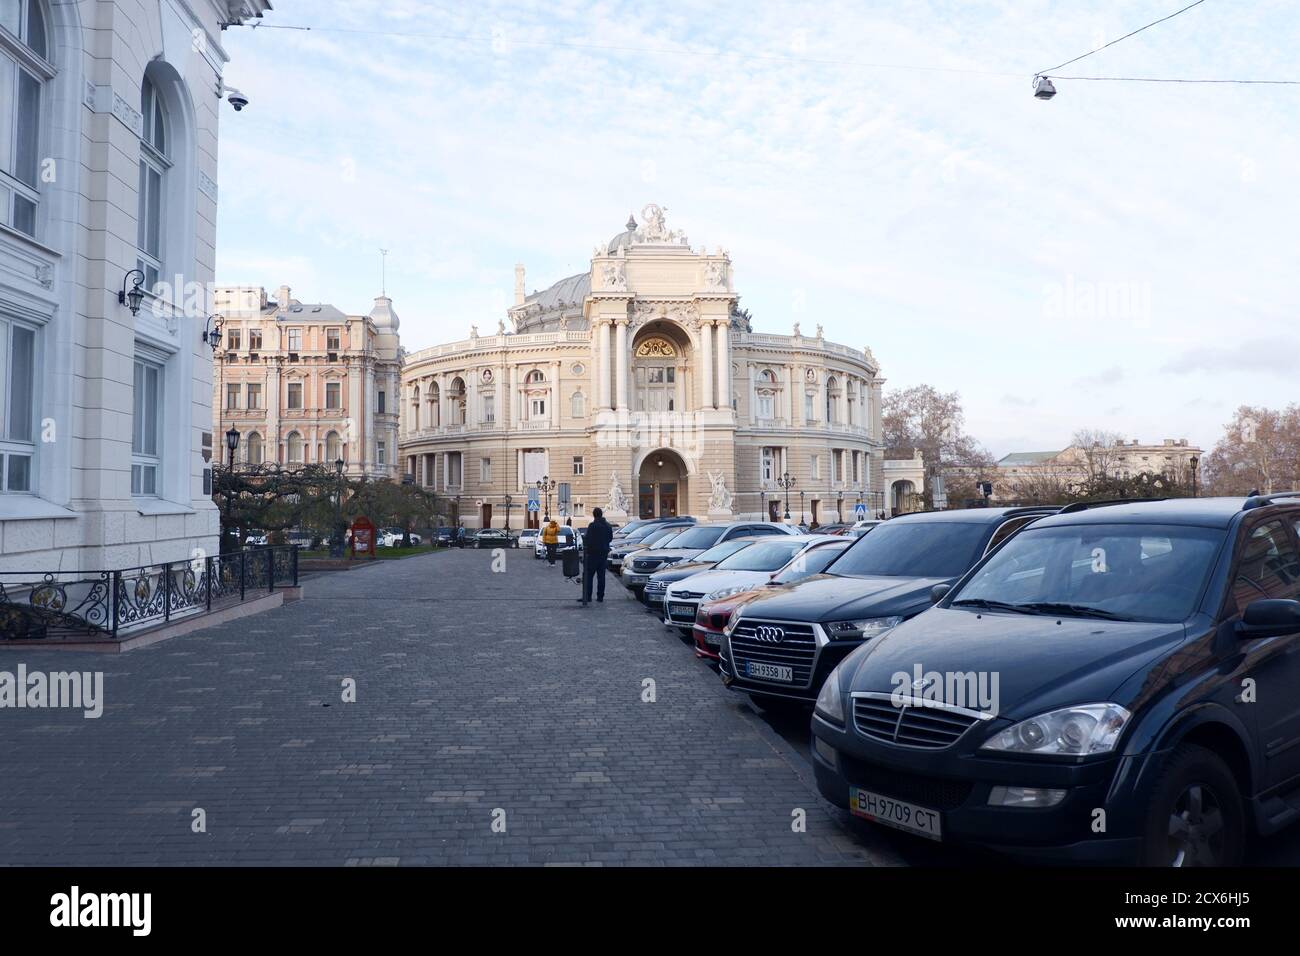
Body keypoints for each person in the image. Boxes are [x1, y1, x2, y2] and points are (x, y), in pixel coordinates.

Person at [579, 508, 614, 606]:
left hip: (593, 554)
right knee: (601, 576)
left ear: (594, 515)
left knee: (589, 576)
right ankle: (600, 597)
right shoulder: (608, 526)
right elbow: (610, 538)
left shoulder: (592, 526)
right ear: (601, 514)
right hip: (603, 554)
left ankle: (588, 596)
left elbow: (588, 540)